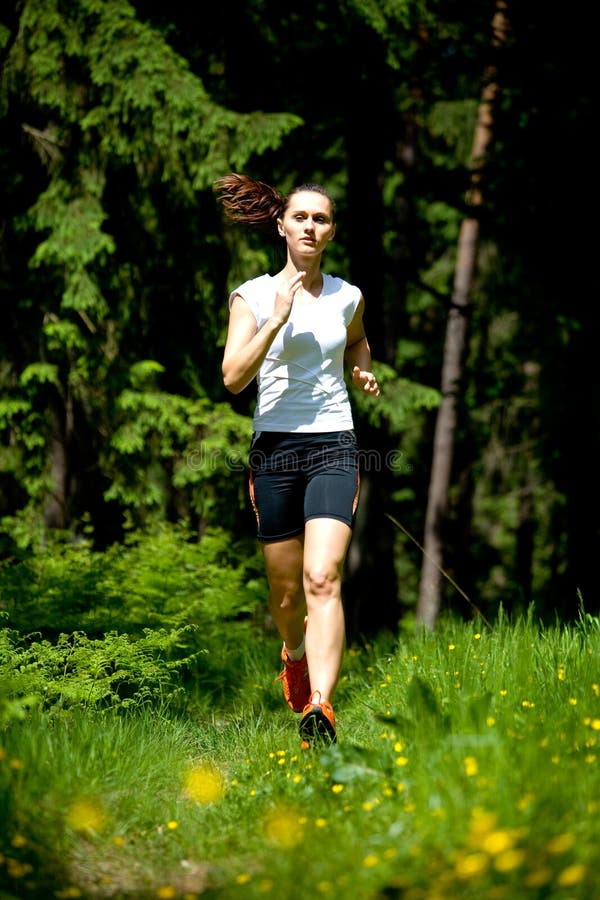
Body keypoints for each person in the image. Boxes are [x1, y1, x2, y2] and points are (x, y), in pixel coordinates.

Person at [214, 173, 380, 746]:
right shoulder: (253, 296)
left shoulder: (347, 295)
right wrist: (276, 320)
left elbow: (355, 338)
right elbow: (234, 378)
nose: (311, 227)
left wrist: (362, 367)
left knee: (322, 576)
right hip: (275, 450)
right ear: (281, 225)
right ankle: (294, 652)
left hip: (334, 442)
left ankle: (322, 707)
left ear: (332, 232)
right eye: (301, 217)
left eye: (322, 219)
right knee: (287, 598)